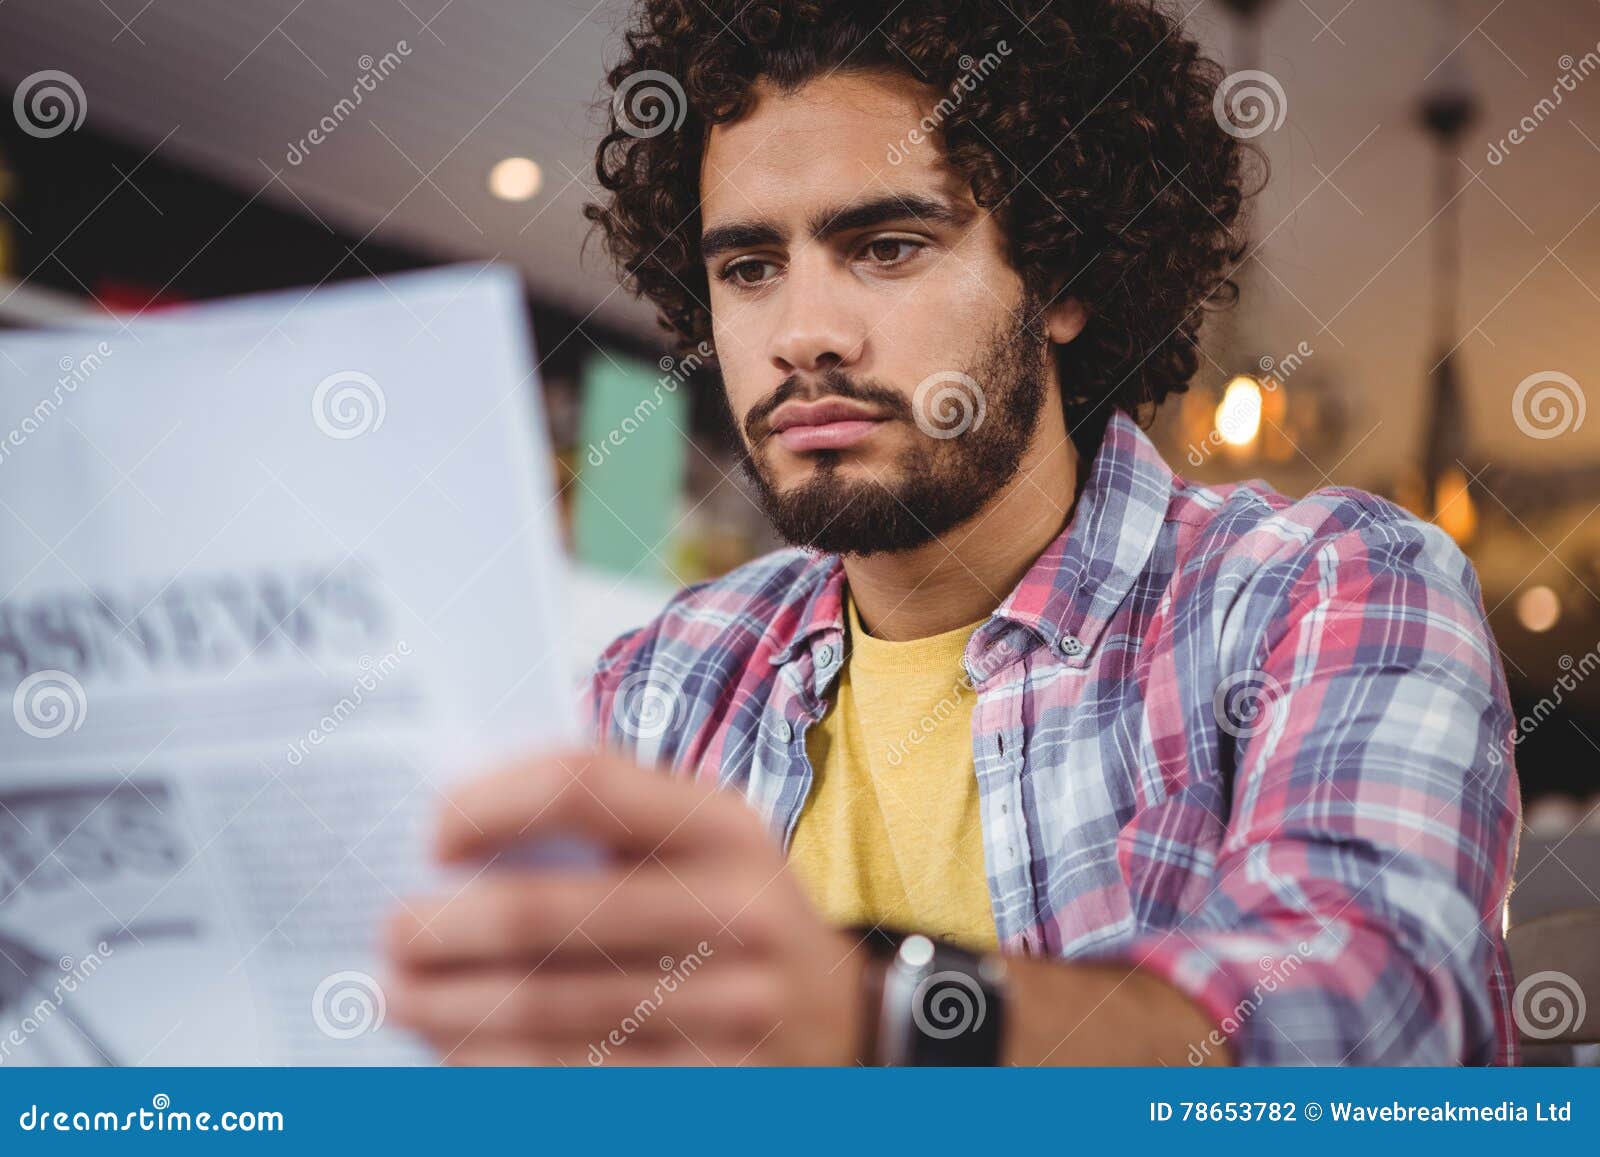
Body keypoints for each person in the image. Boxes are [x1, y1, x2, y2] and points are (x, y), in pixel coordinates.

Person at [385, 0, 1520, 1066]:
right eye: (749, 268)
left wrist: (877, 1014)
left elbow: (1379, 1015)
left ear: (1062, 275)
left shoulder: (1326, 590)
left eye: (885, 246)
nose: (803, 334)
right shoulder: (660, 677)